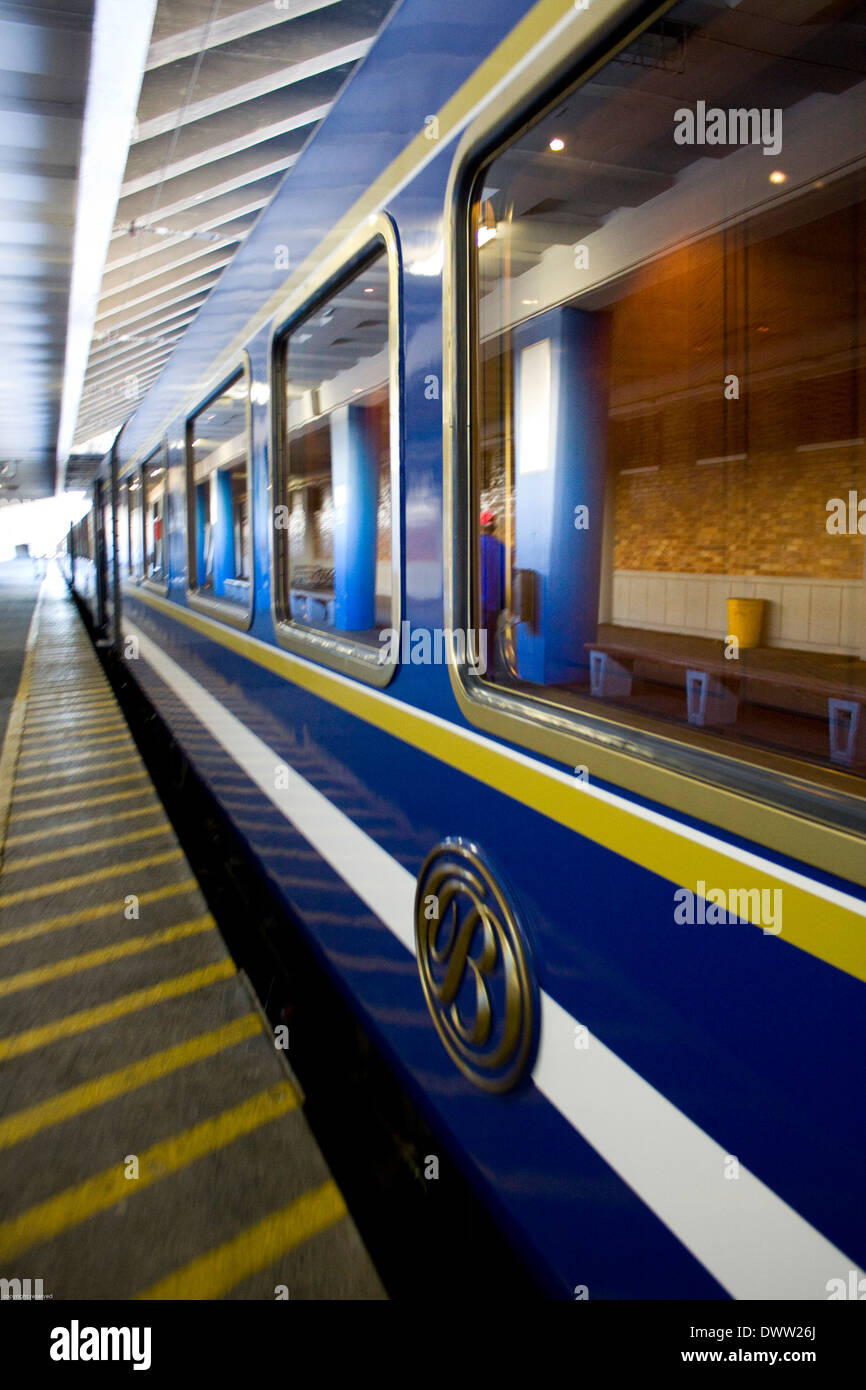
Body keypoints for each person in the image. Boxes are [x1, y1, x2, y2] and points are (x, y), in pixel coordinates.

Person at [480, 509, 505, 669]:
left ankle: (476, 669)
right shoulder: (502, 548)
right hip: (494, 603)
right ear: (494, 526)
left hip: (477, 603)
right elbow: (505, 575)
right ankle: (490, 671)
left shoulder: (475, 545)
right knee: (490, 639)